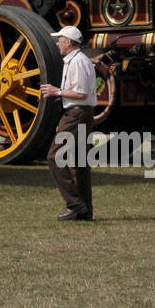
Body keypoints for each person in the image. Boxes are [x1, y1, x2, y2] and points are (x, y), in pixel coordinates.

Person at [41, 25, 96, 221]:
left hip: (76, 113)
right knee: (80, 163)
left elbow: (80, 93)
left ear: (69, 43)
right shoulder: (78, 60)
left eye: (60, 40)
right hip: (81, 113)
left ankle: (75, 204)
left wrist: (57, 91)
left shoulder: (78, 62)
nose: (57, 43)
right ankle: (85, 211)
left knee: (55, 156)